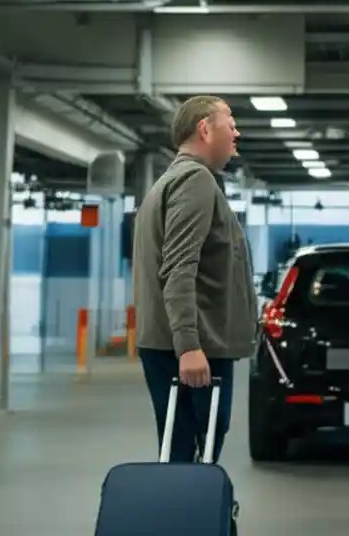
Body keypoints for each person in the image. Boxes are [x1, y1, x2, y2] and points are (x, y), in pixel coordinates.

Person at [133, 95, 258, 463]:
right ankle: (188, 521)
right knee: (190, 459)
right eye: (230, 122)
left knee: (179, 452)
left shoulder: (170, 181)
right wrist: (188, 345)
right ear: (205, 128)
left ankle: (187, 520)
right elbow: (179, 266)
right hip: (195, 348)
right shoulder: (195, 181)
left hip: (180, 343)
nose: (237, 132)